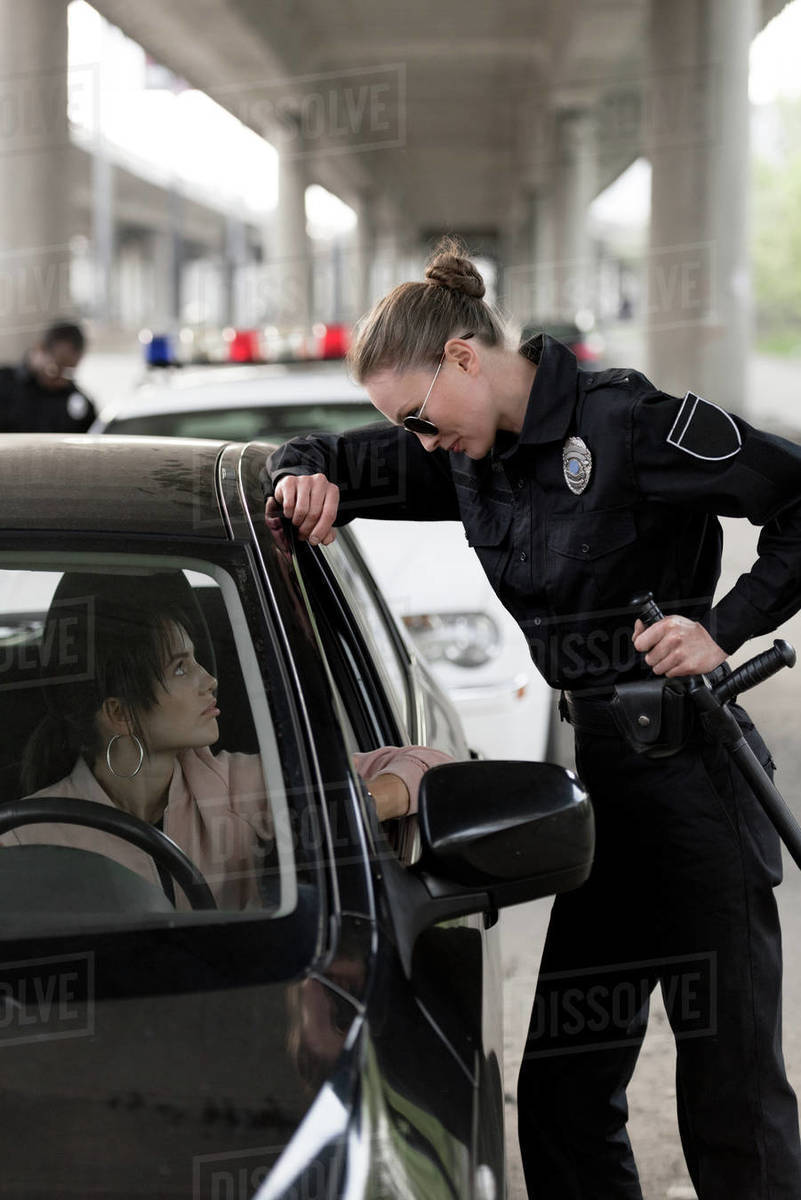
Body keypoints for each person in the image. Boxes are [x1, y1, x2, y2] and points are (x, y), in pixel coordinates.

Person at [263, 236, 801, 1199]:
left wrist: (720, 626)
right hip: (605, 797)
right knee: (560, 1098)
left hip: (695, 789)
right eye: (407, 429)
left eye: (420, 419)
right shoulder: (467, 456)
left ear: (465, 355)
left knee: (730, 1098)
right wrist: (303, 471)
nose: (418, 444)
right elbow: (334, 457)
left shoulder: (629, 422)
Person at [4, 572, 451, 910]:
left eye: (196, 660)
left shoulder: (242, 787)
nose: (210, 679)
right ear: (119, 713)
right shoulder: (26, 838)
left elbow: (430, 763)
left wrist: (363, 804)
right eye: (181, 668)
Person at [0, 320, 96, 433]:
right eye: (55, 368)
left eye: (68, 372)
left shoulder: (79, 401)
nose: (61, 379)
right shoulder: (4, 384)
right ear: (40, 349)